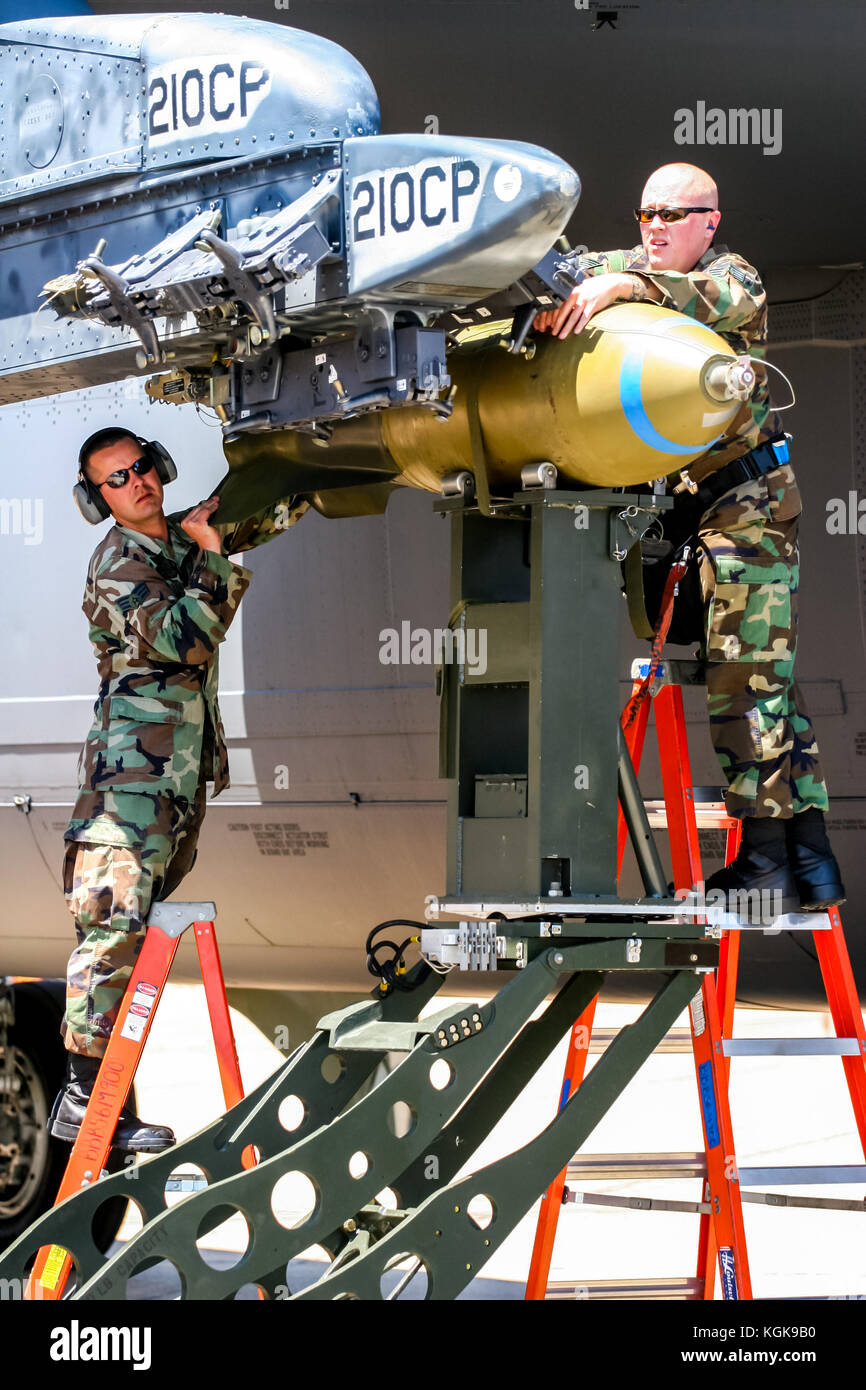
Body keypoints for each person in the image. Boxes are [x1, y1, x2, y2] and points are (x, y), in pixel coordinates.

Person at [535, 162, 844, 914]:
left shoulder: (731, 280)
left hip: (749, 509)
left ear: (710, 221)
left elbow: (711, 299)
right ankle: (809, 857)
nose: (656, 227)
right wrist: (557, 296)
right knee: (768, 680)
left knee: (745, 678)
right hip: (705, 511)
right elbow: (568, 272)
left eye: (675, 214)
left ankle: (765, 860)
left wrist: (623, 288)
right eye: (646, 215)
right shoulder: (633, 266)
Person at [49, 427, 307, 1151]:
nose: (136, 482)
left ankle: (113, 1105)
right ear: (97, 500)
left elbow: (261, 508)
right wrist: (216, 553)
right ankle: (80, 1096)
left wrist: (315, 465)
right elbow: (190, 636)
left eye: (139, 467)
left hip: (175, 786)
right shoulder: (117, 564)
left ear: (157, 466)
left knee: (133, 946)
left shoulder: (185, 538)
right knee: (113, 929)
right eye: (115, 479)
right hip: (127, 789)